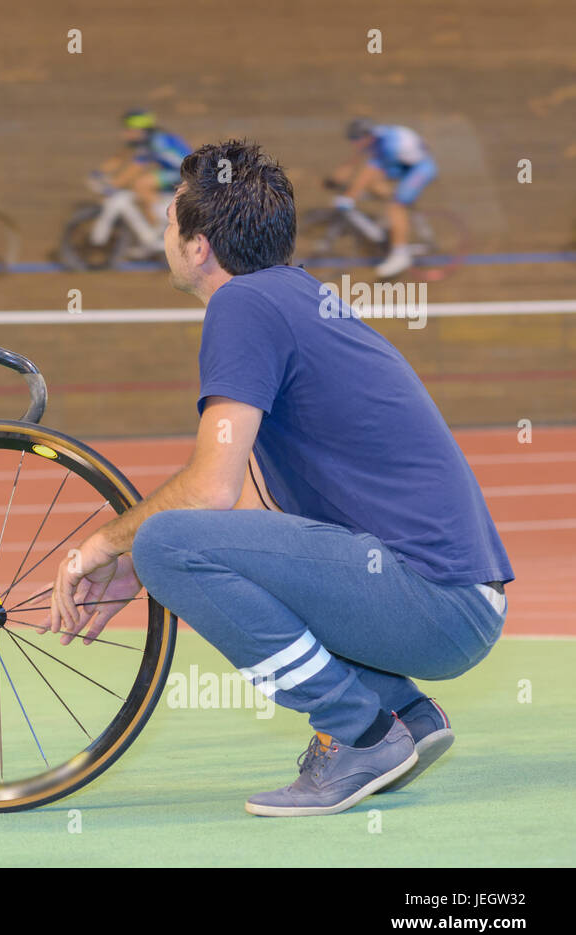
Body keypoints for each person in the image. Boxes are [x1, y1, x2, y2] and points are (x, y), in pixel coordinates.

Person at [41, 140, 511, 817]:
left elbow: (209, 492)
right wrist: (149, 562)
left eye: (171, 218)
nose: (162, 233)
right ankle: (402, 711)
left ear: (199, 244)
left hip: (436, 602)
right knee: (174, 547)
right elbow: (260, 521)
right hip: (451, 599)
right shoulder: (289, 295)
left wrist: (110, 543)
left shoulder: (244, 307)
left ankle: (361, 733)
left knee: (169, 541)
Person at [329, 118, 439, 278]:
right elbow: (353, 161)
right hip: (403, 163)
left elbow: (368, 172)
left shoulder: (388, 144)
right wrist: (334, 180)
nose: (354, 143)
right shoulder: (373, 137)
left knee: (396, 205)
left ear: (367, 136)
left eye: (355, 140)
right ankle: (393, 220)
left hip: (421, 168)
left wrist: (349, 198)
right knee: (373, 186)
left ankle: (400, 254)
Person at [92, 108, 192, 253]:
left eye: (129, 129)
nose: (124, 133)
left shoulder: (155, 141)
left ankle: (159, 229)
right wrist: (98, 173)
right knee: (139, 187)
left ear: (140, 130)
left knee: (141, 184)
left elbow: (135, 168)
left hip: (184, 174)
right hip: (174, 171)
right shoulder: (144, 139)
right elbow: (119, 158)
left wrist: (114, 184)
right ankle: (155, 225)